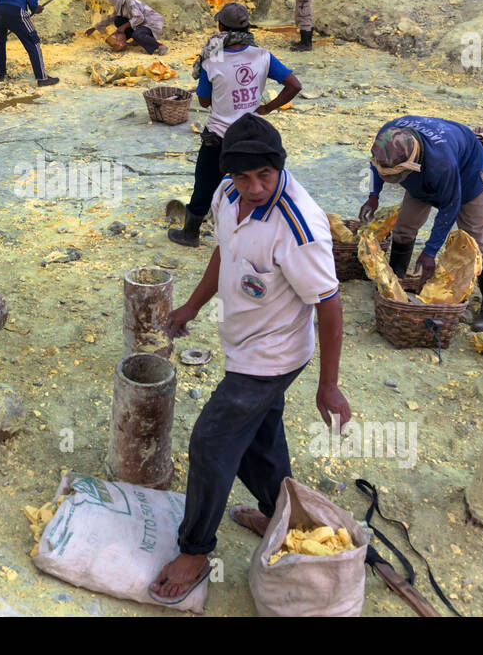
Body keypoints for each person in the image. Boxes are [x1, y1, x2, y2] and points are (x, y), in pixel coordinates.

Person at [149, 113, 351, 605]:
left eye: (265, 175)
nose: (255, 187)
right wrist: (192, 307)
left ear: (280, 166)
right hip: (243, 346)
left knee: (211, 443)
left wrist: (329, 384)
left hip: (273, 357)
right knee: (261, 440)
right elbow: (225, 250)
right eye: (244, 177)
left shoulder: (299, 228)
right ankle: (279, 514)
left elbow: (329, 304)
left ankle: (195, 551)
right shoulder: (225, 195)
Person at [168, 2, 301, 247]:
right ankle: (257, 235)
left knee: (204, 187)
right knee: (253, 186)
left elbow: (205, 102)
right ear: (248, 27)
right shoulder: (263, 56)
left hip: (219, 137)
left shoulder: (213, 60)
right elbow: (295, 85)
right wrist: (266, 107)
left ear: (220, 28)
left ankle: (190, 234)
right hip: (252, 135)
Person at [357, 116, 483, 331]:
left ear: (412, 164)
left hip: (465, 167)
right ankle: (396, 279)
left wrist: (430, 251)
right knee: (404, 226)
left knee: (476, 237)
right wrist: (373, 196)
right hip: (425, 170)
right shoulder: (386, 137)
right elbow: (378, 166)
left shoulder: (442, 163)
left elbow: (450, 206)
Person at [0, 0, 58, 87]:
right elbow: (32, 3)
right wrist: (36, 9)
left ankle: (0, 75)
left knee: (0, 42)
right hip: (16, 11)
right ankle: (42, 79)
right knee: (33, 42)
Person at [86, 0, 168, 55]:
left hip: (152, 22)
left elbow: (139, 18)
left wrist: (123, 27)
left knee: (137, 34)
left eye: (113, 1)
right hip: (141, 23)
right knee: (118, 20)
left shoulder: (130, 1)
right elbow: (110, 18)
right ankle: (135, 40)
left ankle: (159, 46)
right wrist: (95, 28)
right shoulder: (120, 5)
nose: (112, 3)